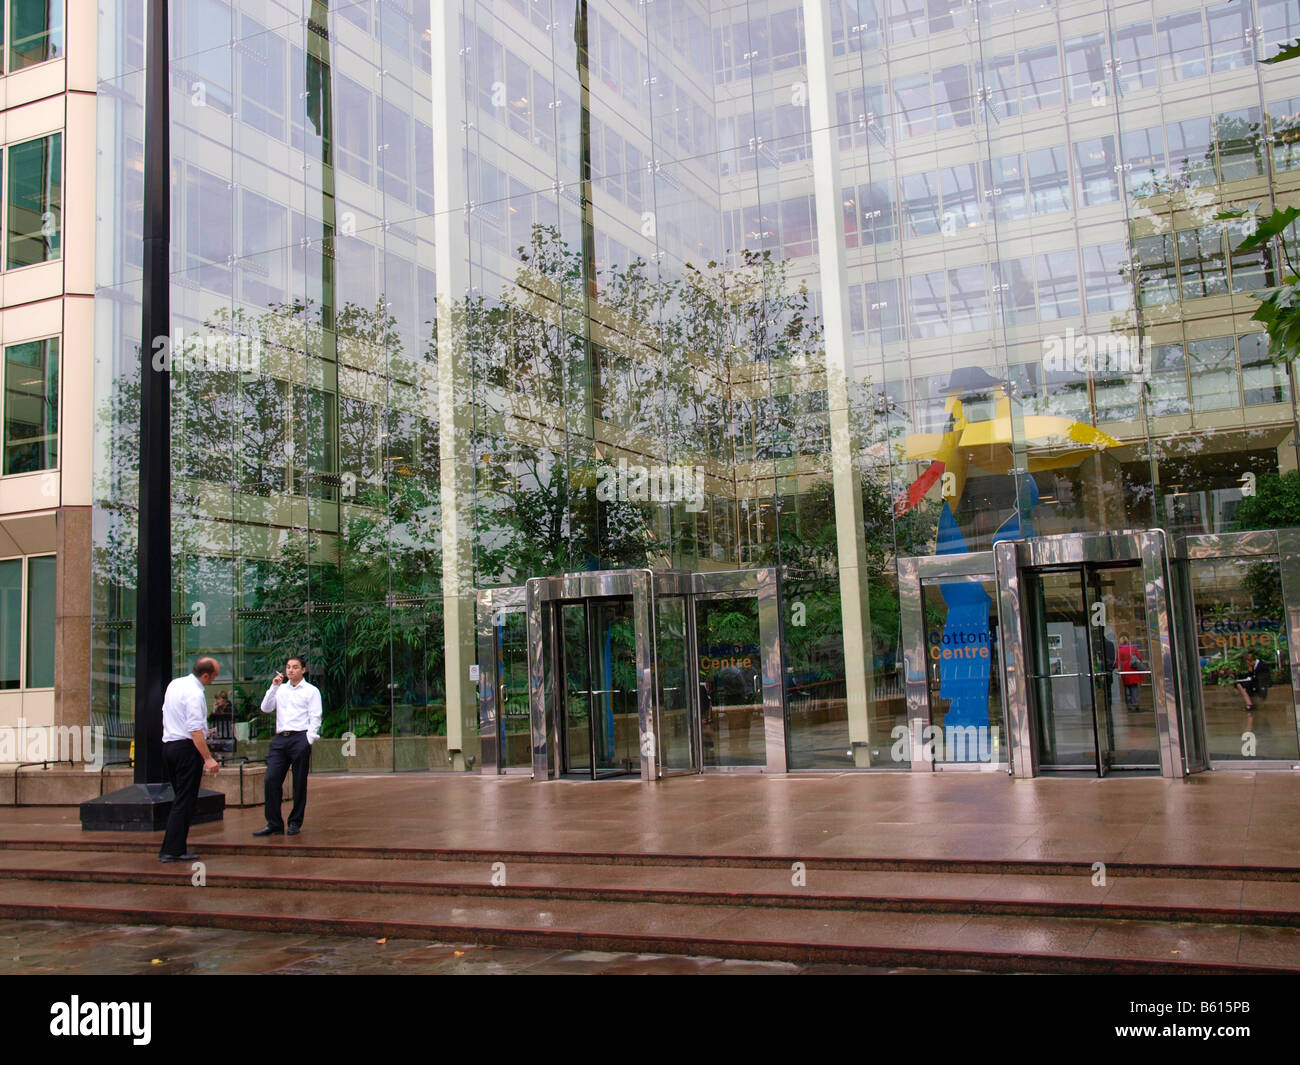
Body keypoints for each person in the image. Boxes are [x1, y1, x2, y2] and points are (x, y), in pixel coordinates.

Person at [159, 656, 221, 862]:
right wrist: (208, 758)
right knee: (185, 801)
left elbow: (168, 713)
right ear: (205, 675)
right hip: (186, 748)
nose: (213, 680)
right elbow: (194, 729)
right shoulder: (195, 693)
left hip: (170, 745)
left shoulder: (176, 684)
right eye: (214, 676)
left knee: (181, 798)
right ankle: (172, 849)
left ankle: (175, 846)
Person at [253, 656, 321, 837]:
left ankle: (295, 822)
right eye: (288, 667)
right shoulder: (280, 689)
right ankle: (274, 823)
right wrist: (273, 687)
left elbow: (315, 716)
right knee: (271, 780)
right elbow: (265, 708)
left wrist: (309, 739)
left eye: (295, 667)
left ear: (303, 670)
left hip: (300, 738)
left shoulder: (311, 691)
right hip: (280, 739)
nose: (291, 670)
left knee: (299, 783)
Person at [1235, 652, 1270, 736]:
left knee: (1240, 685)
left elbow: (1260, 678)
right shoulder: (1255, 665)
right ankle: (1249, 703)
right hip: (1256, 683)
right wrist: (1250, 672)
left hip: (1260, 685)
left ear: (1250, 661)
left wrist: (1251, 675)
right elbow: (1253, 676)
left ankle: (1249, 704)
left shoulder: (1261, 666)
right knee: (1239, 684)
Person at [1116, 635, 1143, 711]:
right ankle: (1135, 703)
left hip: (1125, 671)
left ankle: (1129, 705)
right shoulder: (1133, 648)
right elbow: (1139, 657)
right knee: (1134, 688)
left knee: (1127, 688)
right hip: (1133, 670)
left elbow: (1118, 661)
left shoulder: (1119, 650)